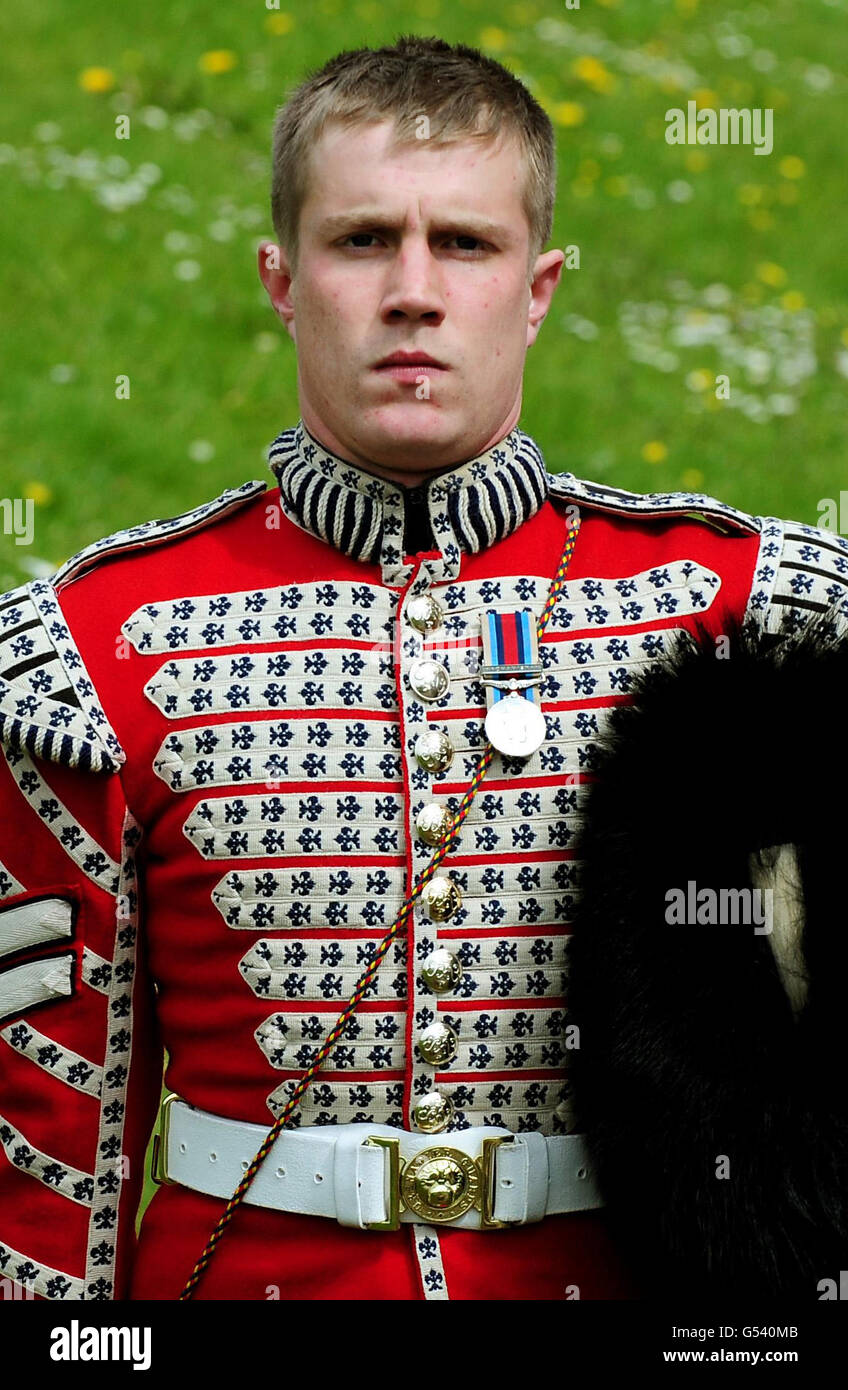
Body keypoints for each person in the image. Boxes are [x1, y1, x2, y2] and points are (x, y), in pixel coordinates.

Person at [0, 34, 845, 1303]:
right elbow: (50, 1147)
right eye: (360, 241)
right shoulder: (99, 647)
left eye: (463, 243)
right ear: (281, 280)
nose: (412, 290)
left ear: (539, 283)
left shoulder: (747, 610)